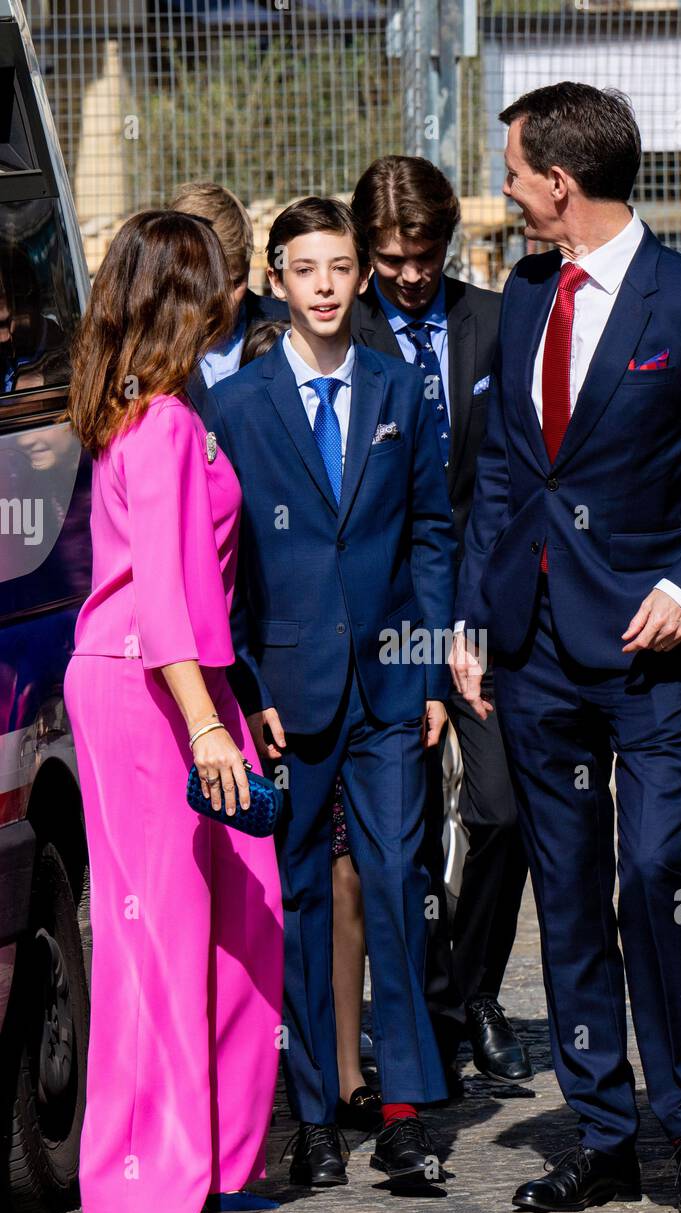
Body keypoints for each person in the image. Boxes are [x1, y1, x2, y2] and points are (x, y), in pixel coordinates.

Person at [450, 81, 681, 1213]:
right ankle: (602, 1132)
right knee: (565, 895)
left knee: (654, 877)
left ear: (560, 181)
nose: (502, 191)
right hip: (533, 650)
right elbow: (501, 469)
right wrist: (470, 614)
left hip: (647, 654)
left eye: (512, 171)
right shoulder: (522, 295)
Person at [201, 197, 457, 1190]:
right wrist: (246, 683)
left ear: (358, 278)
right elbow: (227, 567)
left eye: (338, 267)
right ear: (275, 277)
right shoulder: (236, 406)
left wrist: (430, 662)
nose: (322, 285)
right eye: (303, 267)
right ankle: (311, 1110)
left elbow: (431, 529)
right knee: (302, 895)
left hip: (391, 682)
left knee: (396, 882)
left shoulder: (401, 387)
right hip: (287, 691)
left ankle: (400, 1108)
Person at [63, 210, 284, 1213]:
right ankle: (145, 1175)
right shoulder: (156, 425)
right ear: (189, 299)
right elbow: (158, 598)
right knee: (157, 932)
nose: (241, 295)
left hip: (187, 690)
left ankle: (218, 1155)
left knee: (244, 917)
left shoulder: (165, 411)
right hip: (147, 693)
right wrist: (207, 728)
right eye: (223, 281)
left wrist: (231, 709)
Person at [351, 154, 532, 1090]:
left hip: (480, 614)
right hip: (386, 623)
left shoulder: (495, 324)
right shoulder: (348, 334)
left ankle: (474, 994)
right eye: (391, 258)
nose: (412, 274)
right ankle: (417, 1008)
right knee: (405, 831)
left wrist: (472, 617)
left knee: (501, 812)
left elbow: (502, 483)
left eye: (424, 253)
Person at [239, 314, 380, 1128]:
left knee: (350, 879)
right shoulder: (239, 421)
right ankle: (292, 1075)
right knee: (285, 896)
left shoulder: (362, 407)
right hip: (268, 696)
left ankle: (349, 1063)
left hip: (345, 694)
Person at [169, 182, 288, 412]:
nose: (220, 302)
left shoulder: (290, 332)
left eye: (234, 283)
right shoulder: (142, 346)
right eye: (205, 285)